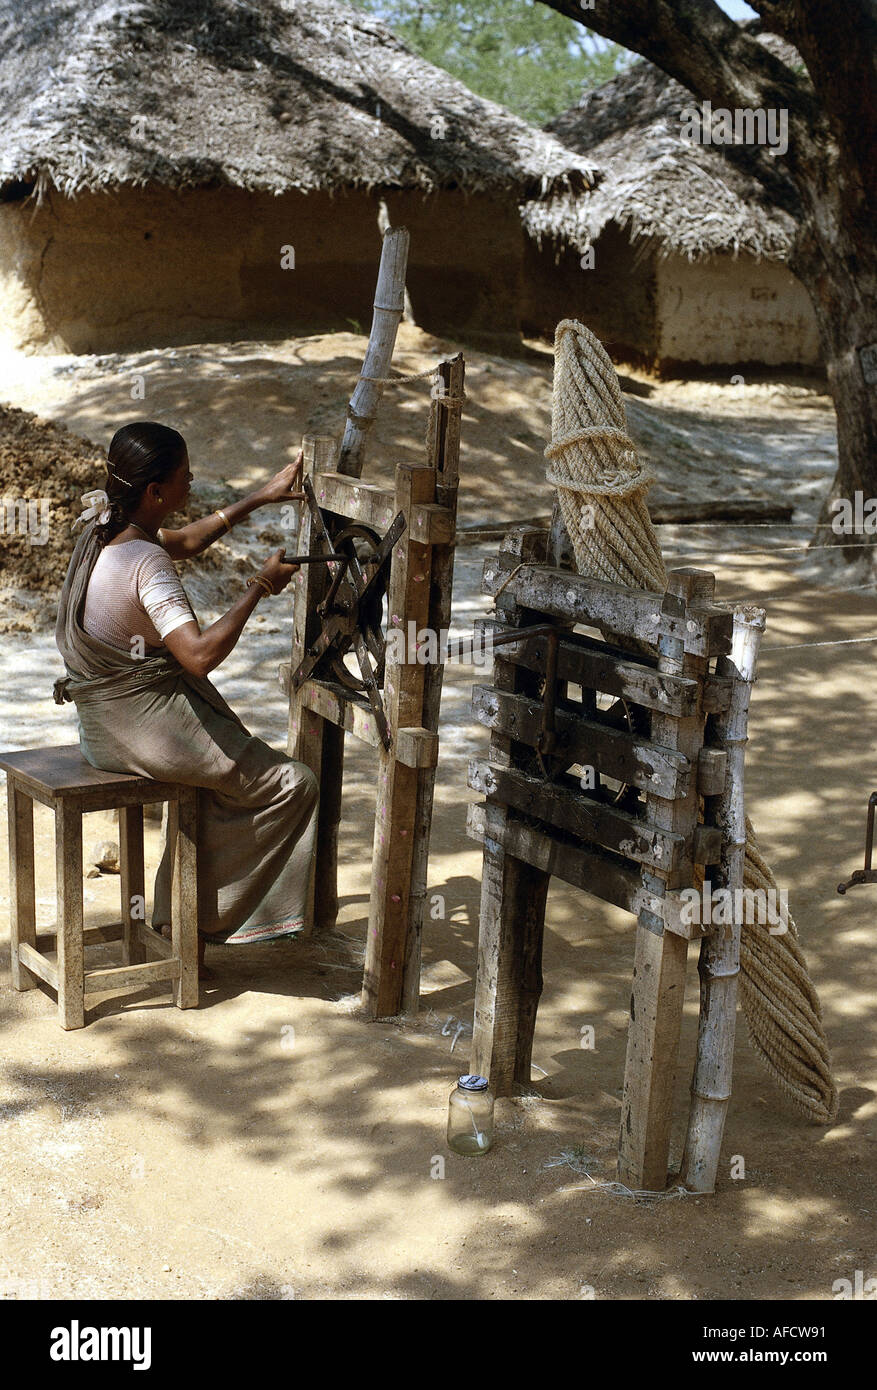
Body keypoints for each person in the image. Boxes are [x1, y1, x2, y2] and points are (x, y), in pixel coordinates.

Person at [54, 421, 319, 978]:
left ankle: (177, 909)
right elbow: (198, 657)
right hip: (146, 732)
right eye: (183, 477)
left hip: (99, 729)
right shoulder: (147, 565)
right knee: (293, 785)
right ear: (155, 492)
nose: (193, 483)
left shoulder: (105, 530)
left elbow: (190, 540)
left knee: (220, 784)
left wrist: (261, 497)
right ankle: (200, 920)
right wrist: (262, 586)